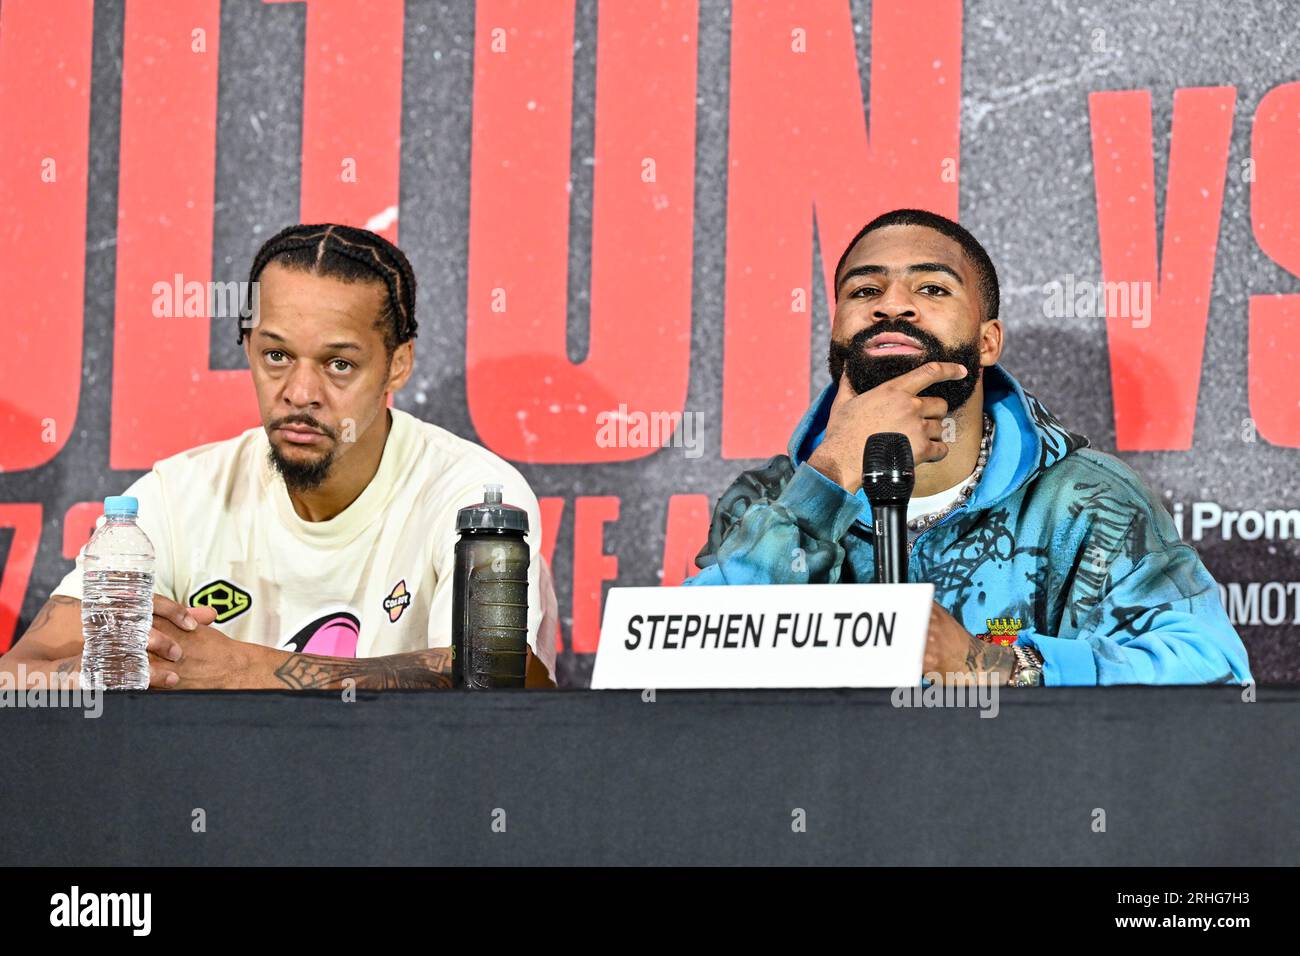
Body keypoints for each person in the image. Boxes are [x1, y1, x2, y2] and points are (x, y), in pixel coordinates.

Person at [684, 208, 1251, 688]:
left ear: (987, 342)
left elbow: (1216, 669)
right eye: (865, 290)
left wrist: (997, 664)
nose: (892, 306)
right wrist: (830, 473)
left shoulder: (1087, 500)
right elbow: (688, 668)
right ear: (835, 331)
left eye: (931, 288)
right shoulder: (767, 499)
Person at [1, 224, 555, 689]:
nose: (300, 391)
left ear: (399, 364)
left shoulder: (471, 496)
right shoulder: (178, 496)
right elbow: (17, 675)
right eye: (276, 355)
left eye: (339, 364)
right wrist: (110, 671)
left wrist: (241, 669)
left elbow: (502, 677)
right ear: (246, 348)